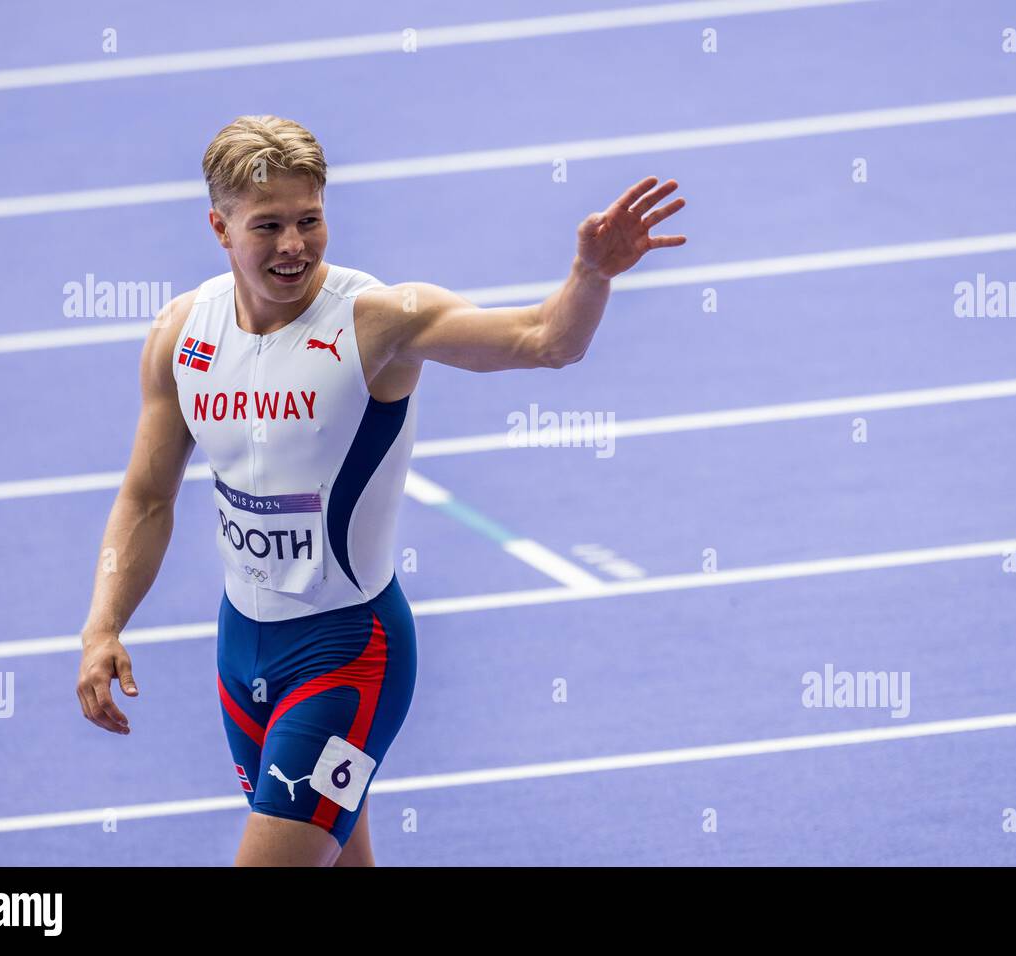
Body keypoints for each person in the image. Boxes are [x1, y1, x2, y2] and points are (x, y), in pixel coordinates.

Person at [75, 115, 687, 866]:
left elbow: (545, 340)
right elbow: (146, 499)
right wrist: (102, 625)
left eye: (310, 219)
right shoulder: (183, 334)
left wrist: (589, 276)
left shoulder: (380, 323)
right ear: (219, 228)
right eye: (267, 226)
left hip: (349, 656)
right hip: (241, 654)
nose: (294, 245)